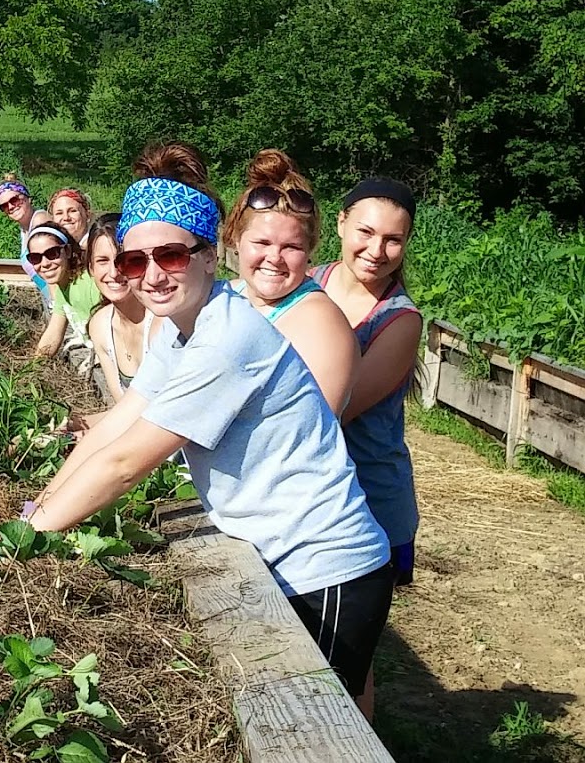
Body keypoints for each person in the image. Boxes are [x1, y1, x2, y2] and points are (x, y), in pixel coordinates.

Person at [24, 142, 393, 718]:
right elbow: (110, 432)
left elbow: (127, 464)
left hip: (326, 566)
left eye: (170, 256)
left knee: (322, 730)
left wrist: (23, 544)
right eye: (131, 261)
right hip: (276, 551)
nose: (150, 275)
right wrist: (32, 511)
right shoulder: (181, 329)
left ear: (207, 256)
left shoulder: (226, 340)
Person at [314, 177, 423, 586]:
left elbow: (335, 410)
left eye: (393, 240)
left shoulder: (399, 322)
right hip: (313, 492)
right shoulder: (307, 283)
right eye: (365, 232)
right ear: (341, 223)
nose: (376, 251)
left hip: (369, 502)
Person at [224, 151, 359, 417]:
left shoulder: (320, 325)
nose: (274, 258)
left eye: (291, 247)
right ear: (235, 240)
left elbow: (308, 433)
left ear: (310, 250)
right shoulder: (226, 295)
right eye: (261, 243)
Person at [85, 213, 152, 403]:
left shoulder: (160, 323)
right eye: (102, 261)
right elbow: (121, 408)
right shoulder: (100, 326)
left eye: (123, 260)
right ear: (91, 268)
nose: (114, 273)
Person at [25, 223, 101, 369]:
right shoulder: (63, 287)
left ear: (67, 251)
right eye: (35, 258)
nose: (45, 263)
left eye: (52, 254)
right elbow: (52, 335)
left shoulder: (88, 282)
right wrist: (32, 370)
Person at [0, 174, 54, 300]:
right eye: (4, 206)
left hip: (58, 297)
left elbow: (52, 268)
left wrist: (56, 306)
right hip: (50, 296)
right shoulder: (24, 229)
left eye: (14, 200)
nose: (10, 207)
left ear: (27, 198)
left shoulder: (39, 221)